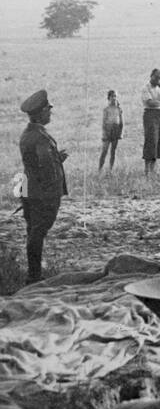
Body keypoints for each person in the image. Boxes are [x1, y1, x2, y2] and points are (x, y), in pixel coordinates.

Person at [19, 90, 67, 283]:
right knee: (37, 232)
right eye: (48, 110)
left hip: (30, 189)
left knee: (33, 231)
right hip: (42, 193)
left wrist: (57, 158)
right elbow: (46, 166)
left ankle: (33, 273)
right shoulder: (39, 137)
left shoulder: (29, 133)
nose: (50, 113)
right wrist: (52, 193)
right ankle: (34, 276)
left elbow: (37, 162)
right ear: (39, 113)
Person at [141, 69, 160, 176]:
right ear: (151, 76)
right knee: (151, 141)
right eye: (156, 77)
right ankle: (147, 170)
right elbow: (150, 102)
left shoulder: (159, 88)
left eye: (159, 78)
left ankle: (153, 169)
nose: (158, 79)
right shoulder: (146, 88)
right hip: (150, 115)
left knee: (159, 141)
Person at [98, 90, 124, 172]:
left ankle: (110, 169)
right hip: (108, 130)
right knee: (104, 151)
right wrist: (105, 133)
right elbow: (104, 122)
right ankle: (100, 168)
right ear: (109, 98)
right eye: (112, 96)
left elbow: (121, 121)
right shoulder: (106, 109)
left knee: (113, 151)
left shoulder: (118, 109)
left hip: (116, 130)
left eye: (115, 96)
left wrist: (120, 132)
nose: (114, 98)